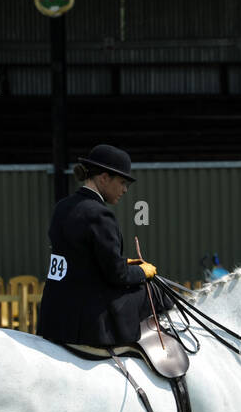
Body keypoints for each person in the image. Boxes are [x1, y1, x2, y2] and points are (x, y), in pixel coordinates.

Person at [37, 144, 167, 348]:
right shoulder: (99, 214)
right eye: (123, 183)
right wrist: (142, 272)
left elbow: (80, 258)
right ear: (104, 178)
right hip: (87, 316)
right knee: (160, 293)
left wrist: (124, 262)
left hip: (53, 313)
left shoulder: (62, 206)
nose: (125, 190)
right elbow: (118, 276)